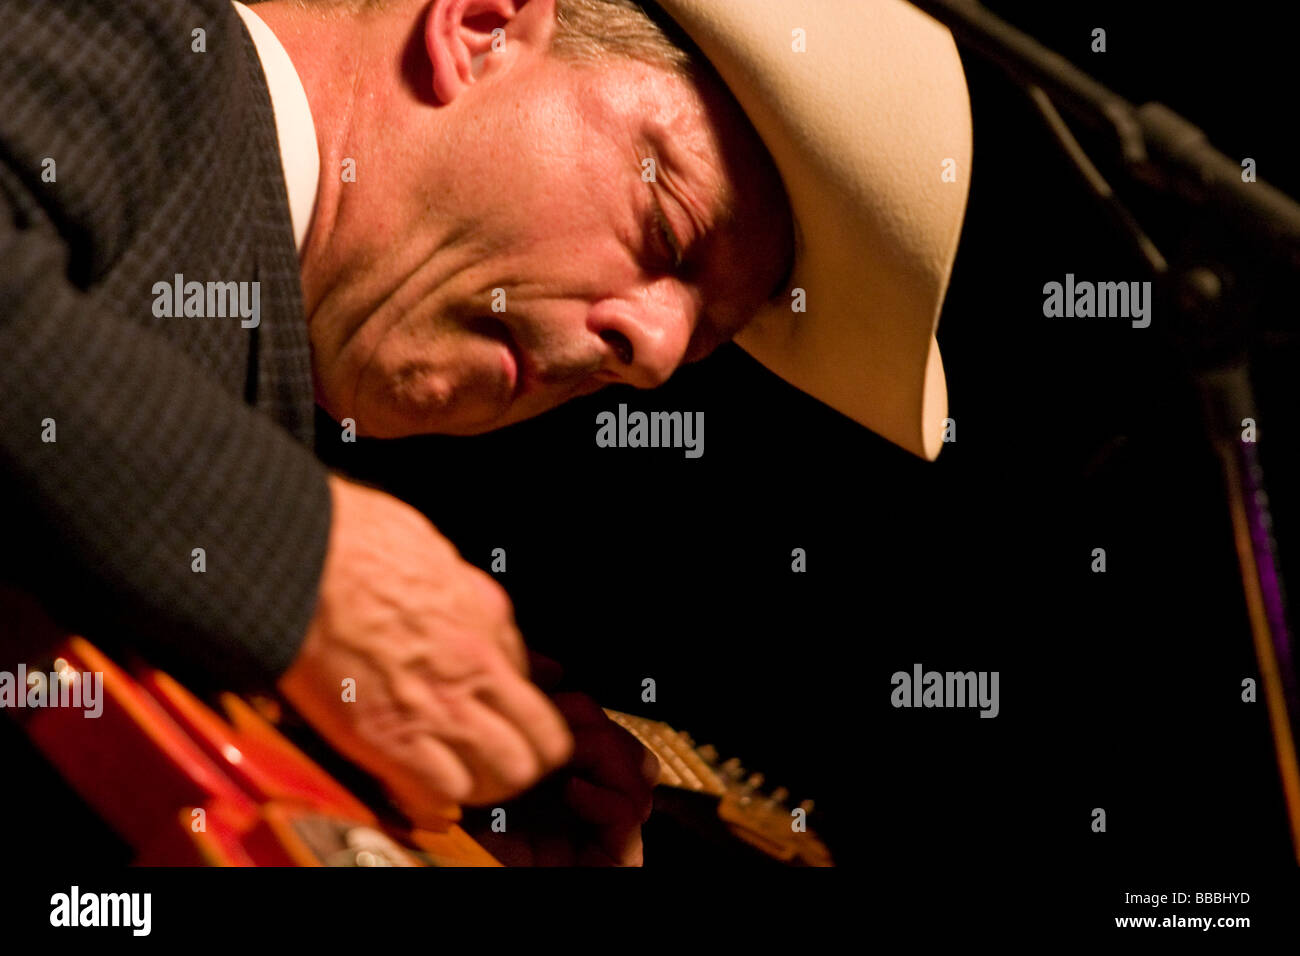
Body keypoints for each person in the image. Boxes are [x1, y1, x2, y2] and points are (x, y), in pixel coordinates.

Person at [0, 0, 971, 864]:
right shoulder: (151, 44)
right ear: (480, 27)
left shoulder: (244, 373)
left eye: (703, 341)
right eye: (667, 234)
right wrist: (303, 558)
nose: (655, 354)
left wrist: (399, 816)